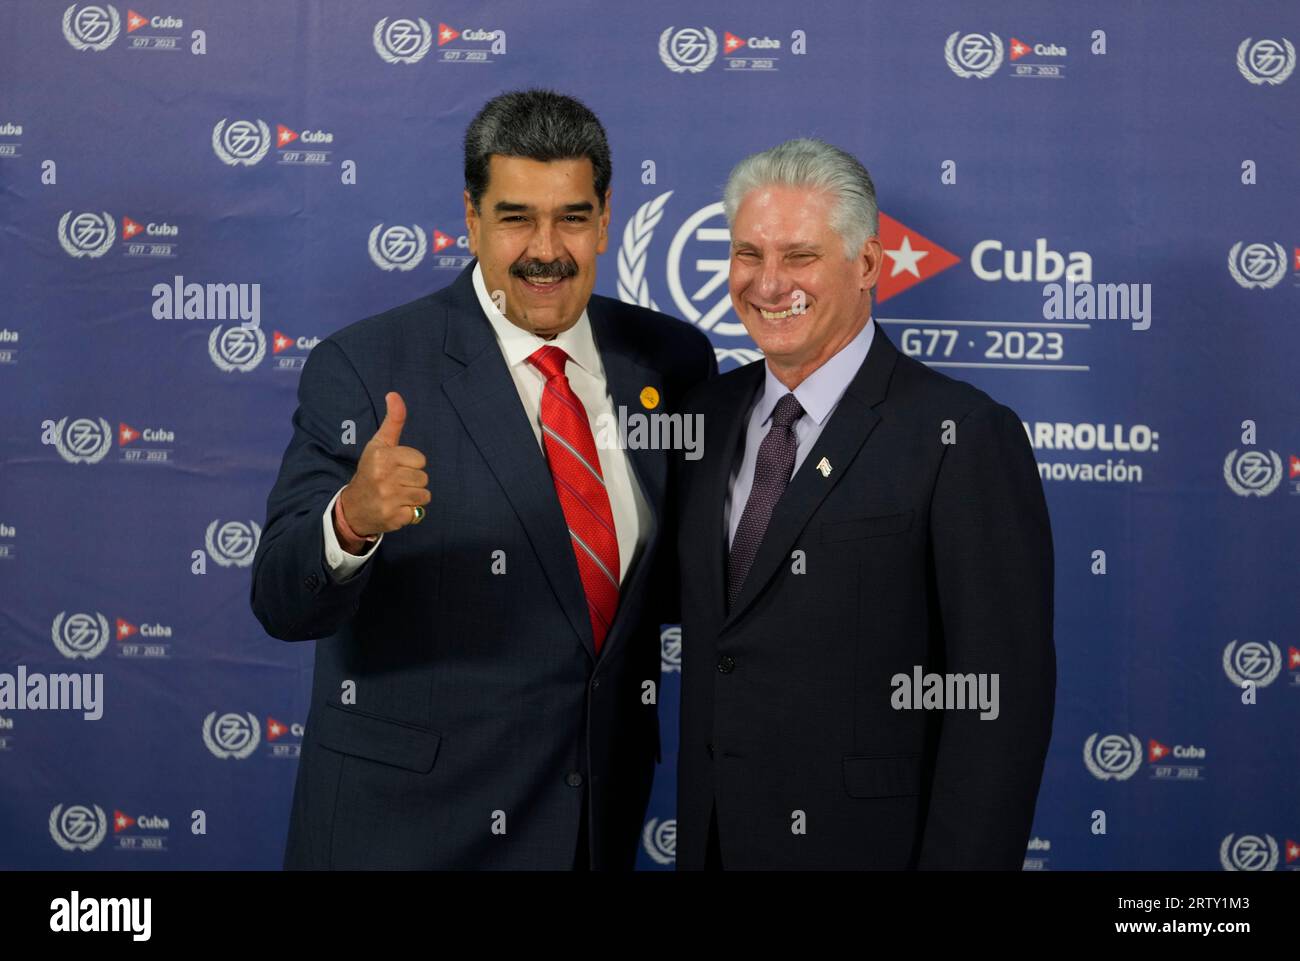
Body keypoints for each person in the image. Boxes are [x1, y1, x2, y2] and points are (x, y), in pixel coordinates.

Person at [250, 89, 716, 870]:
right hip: (409, 833)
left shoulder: (670, 361)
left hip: (592, 828)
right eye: (515, 217)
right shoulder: (367, 367)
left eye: (571, 216)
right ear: (470, 219)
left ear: (606, 219)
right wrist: (352, 520)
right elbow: (280, 596)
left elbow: (683, 578)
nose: (546, 247)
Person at [674, 138, 1055, 870]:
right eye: (749, 253)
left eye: (800, 255)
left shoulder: (962, 435)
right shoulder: (706, 417)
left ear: (870, 266)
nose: (768, 281)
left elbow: (997, 706)